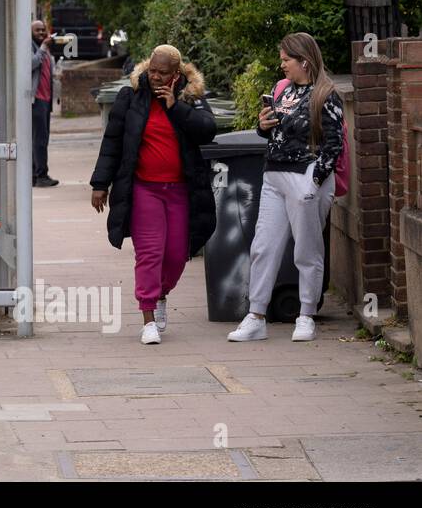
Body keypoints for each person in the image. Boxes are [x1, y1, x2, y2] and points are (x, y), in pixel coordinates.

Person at [90, 45, 217, 344]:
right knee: (150, 253)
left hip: (180, 191)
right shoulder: (130, 96)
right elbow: (112, 143)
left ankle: (161, 295)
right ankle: (147, 317)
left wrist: (176, 106)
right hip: (144, 189)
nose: (156, 77)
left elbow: (207, 130)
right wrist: (100, 184)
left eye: (163, 73)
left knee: (176, 255)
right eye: (153, 71)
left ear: (176, 74)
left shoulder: (190, 97)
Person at [228, 33, 344, 344]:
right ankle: (256, 316)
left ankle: (306, 314)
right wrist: (263, 126)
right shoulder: (282, 90)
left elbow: (334, 145)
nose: (281, 65)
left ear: (304, 61)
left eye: (286, 60)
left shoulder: (326, 94)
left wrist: (315, 181)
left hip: (305, 176)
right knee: (263, 247)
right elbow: (276, 133)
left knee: (307, 250)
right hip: (274, 175)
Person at [32, 20, 58, 186]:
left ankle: (35, 174)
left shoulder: (45, 48)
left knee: (42, 138)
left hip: (46, 99)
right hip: (36, 99)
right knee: (39, 139)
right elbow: (30, 64)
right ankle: (41, 175)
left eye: (43, 30)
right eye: (37, 30)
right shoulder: (31, 46)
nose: (41, 33)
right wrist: (42, 48)